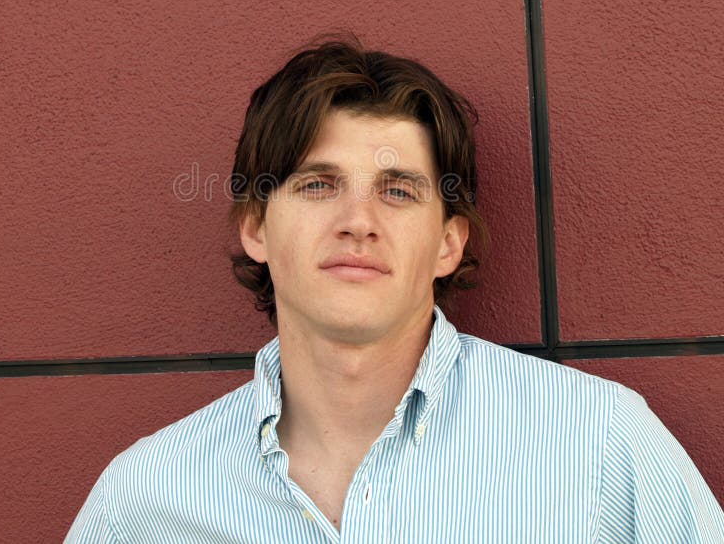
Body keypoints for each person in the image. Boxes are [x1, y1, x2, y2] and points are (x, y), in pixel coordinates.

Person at [66, 33, 724, 543]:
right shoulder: (146, 501)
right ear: (256, 228)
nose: (358, 223)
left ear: (448, 243)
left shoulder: (598, 444)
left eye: (398, 191)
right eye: (318, 184)